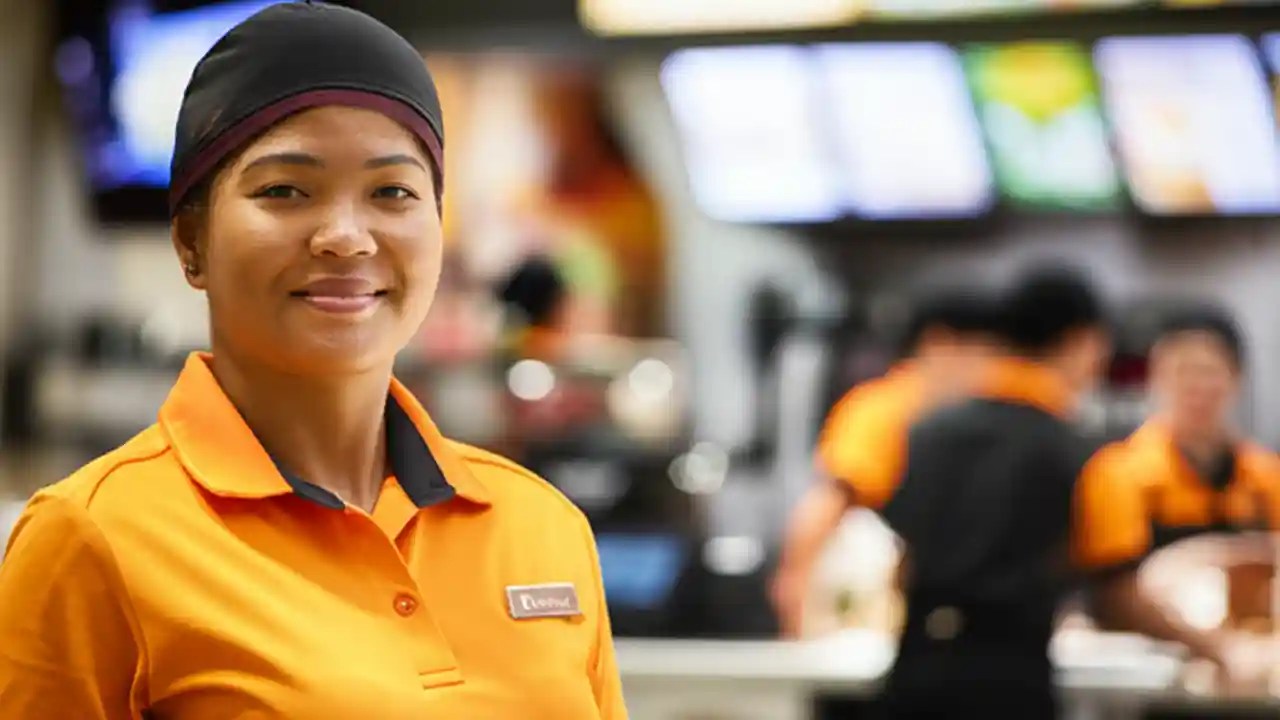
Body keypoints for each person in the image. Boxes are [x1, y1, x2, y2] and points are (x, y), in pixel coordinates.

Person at [0, 5, 626, 719]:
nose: (345, 237)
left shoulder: (542, 525)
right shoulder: (91, 539)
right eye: (284, 191)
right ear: (191, 242)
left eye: (392, 192)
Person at [875, 265, 1225, 719]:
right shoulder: (1083, 455)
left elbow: (902, 564)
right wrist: (1214, 649)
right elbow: (1114, 596)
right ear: (1083, 343)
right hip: (1010, 686)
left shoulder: (923, 433)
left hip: (914, 674)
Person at [771, 282, 1005, 638]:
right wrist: (794, 592)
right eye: (986, 353)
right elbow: (826, 506)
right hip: (869, 617)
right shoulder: (885, 409)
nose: (992, 371)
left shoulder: (971, 418)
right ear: (940, 344)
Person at [1118, 305, 1280, 548]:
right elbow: (1115, 570)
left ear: (1236, 378)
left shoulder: (1266, 476)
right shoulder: (1120, 476)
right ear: (1155, 377)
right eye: (1182, 371)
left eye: (1209, 371)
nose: (1197, 387)